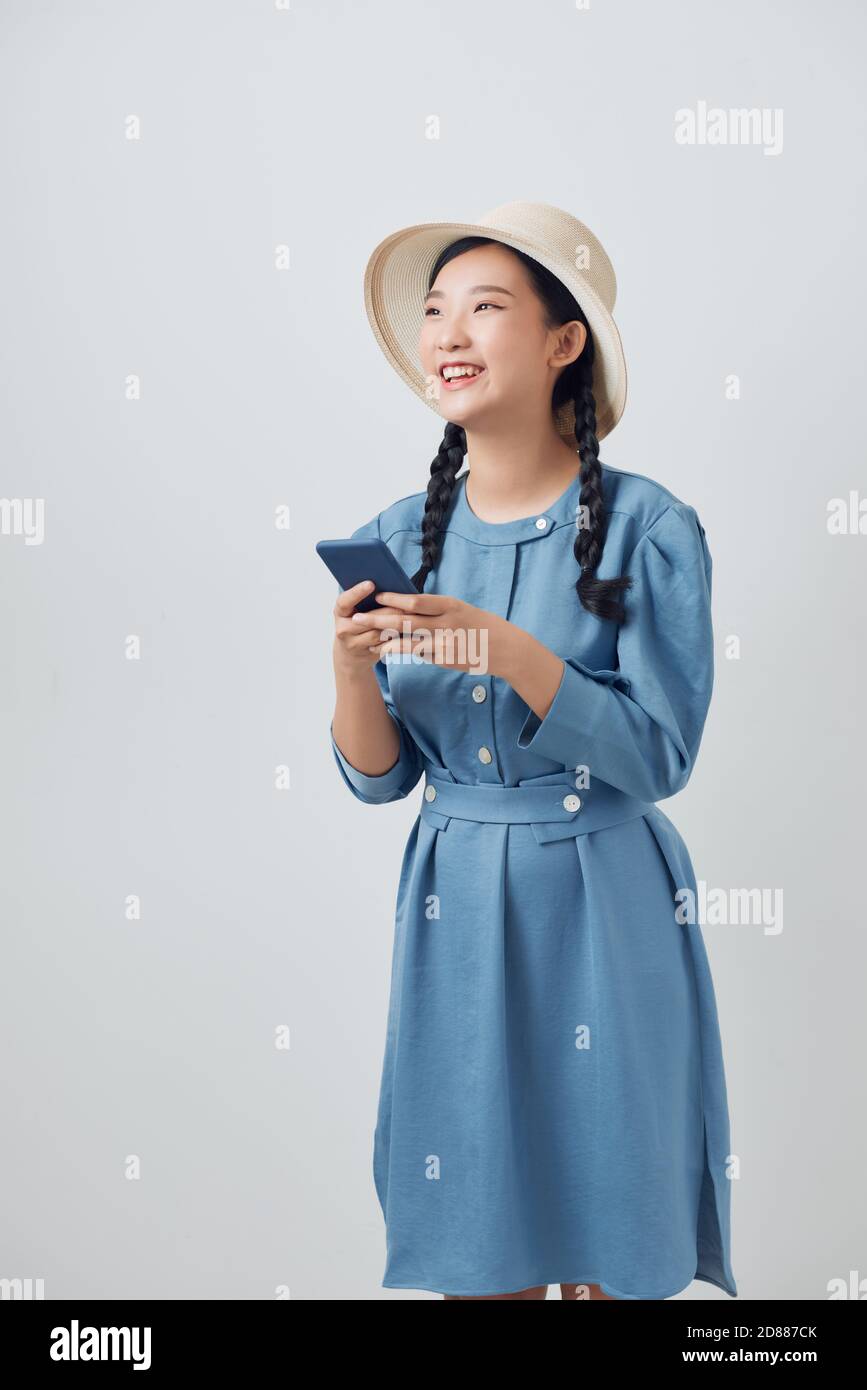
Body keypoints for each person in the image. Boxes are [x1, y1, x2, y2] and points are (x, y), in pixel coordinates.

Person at [329, 202, 737, 1301]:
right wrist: (345, 664)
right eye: (434, 311)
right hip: (454, 904)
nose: (448, 333)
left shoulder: (651, 527)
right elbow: (381, 779)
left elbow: (659, 755)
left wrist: (514, 653)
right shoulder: (397, 530)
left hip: (604, 899)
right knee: (477, 1232)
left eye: (485, 307)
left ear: (566, 343)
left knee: (614, 1232)